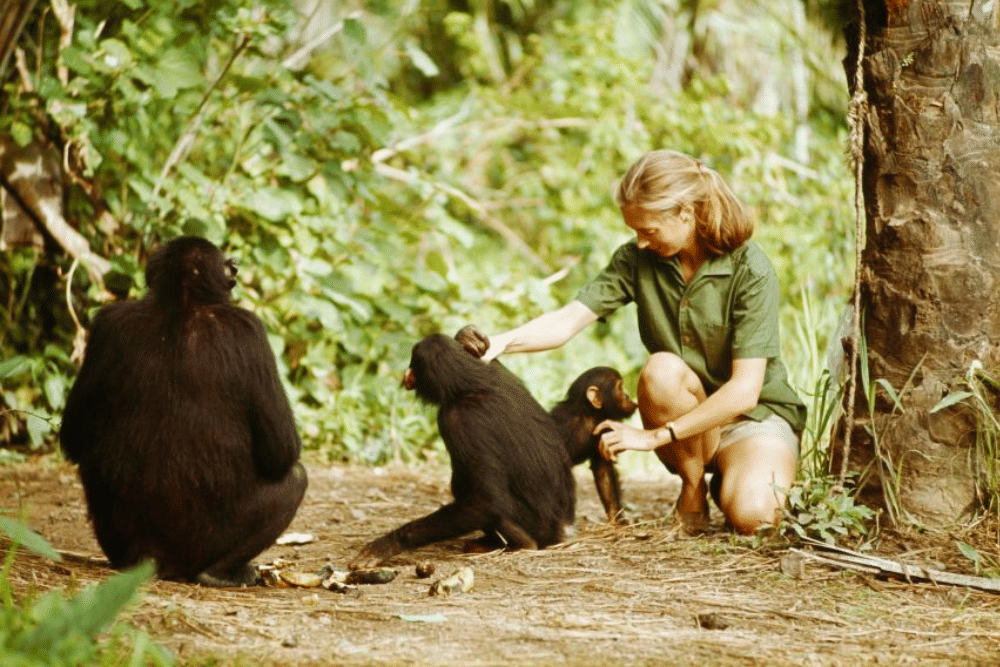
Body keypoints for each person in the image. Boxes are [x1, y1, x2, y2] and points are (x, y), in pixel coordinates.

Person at [475, 149, 806, 534]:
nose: (641, 242)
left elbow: (745, 391)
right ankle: (694, 486)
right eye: (635, 231)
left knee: (755, 517)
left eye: (649, 230)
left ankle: (736, 476)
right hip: (684, 413)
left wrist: (653, 437)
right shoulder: (637, 259)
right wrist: (500, 343)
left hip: (752, 418)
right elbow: (569, 320)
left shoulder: (750, 268)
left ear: (686, 213)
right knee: (662, 369)